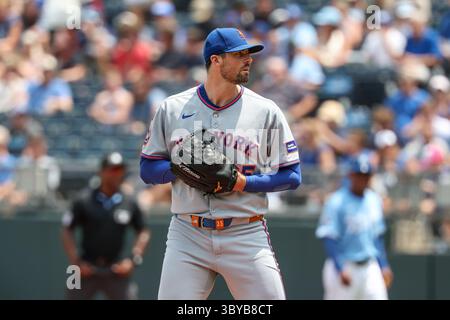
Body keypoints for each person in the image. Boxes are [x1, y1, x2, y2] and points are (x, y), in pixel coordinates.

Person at [140, 27, 301, 300]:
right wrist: (180, 168)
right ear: (215, 60)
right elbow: (147, 169)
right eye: (239, 54)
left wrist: (243, 182)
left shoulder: (265, 111)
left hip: (246, 231)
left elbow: (292, 175)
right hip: (188, 233)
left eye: (249, 54)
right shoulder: (172, 108)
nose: (248, 59)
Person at [62, 152, 151, 300]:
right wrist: (75, 261)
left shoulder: (129, 202)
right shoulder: (83, 199)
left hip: (116, 268)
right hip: (83, 267)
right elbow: (66, 230)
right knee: (71, 294)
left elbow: (143, 231)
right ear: (101, 171)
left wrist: (133, 259)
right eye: (112, 169)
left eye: (120, 170)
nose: (117, 174)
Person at [315, 154, 394, 300]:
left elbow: (377, 237)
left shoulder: (374, 199)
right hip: (345, 263)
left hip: (370, 266)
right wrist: (340, 267)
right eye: (359, 175)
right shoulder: (336, 201)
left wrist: (383, 265)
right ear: (350, 175)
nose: (362, 179)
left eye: (366, 175)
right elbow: (329, 237)